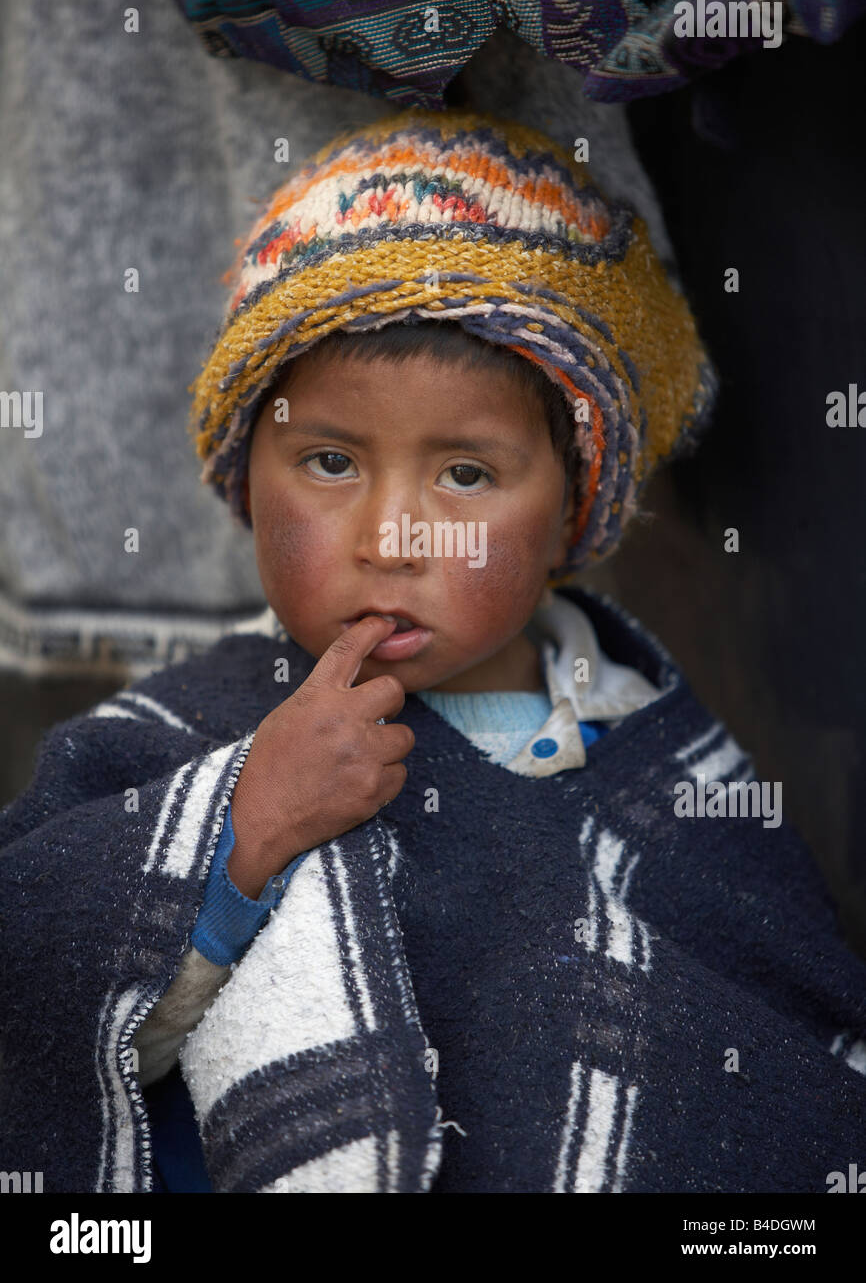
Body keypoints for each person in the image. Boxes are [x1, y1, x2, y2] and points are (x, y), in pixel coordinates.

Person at [1, 109, 864, 1194]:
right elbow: (57, 1025)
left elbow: (783, 1058)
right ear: (243, 485)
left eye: (463, 475)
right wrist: (245, 827)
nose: (388, 539)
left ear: (566, 517)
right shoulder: (185, 738)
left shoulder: (661, 757)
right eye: (327, 461)